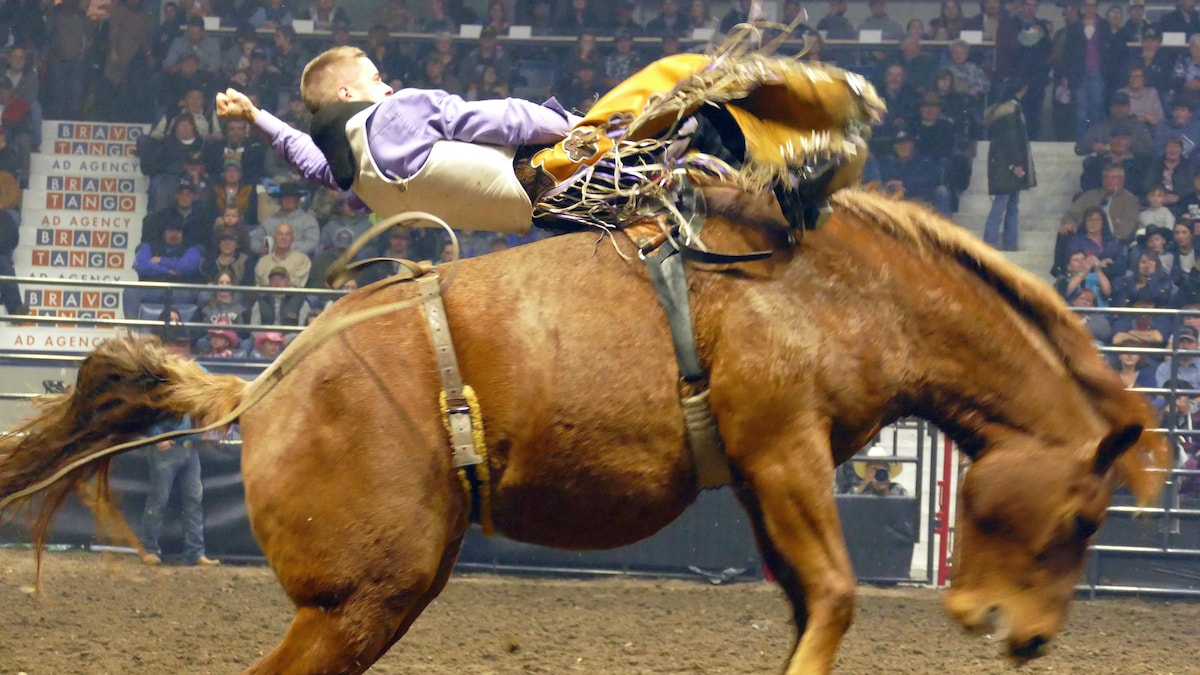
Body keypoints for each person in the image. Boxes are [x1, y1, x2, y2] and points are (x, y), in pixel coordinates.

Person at [217, 46, 576, 234]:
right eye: (375, 79)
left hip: (540, 216)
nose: (387, 86)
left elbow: (311, 162)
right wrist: (576, 124)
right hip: (566, 178)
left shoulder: (354, 172)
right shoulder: (400, 109)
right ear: (346, 92)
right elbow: (506, 118)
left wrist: (254, 116)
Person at [138, 328, 220, 567]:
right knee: (160, 498)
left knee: (193, 499)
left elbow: (210, 397)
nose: (181, 350)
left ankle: (195, 552)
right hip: (168, 444)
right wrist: (156, 437)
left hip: (188, 445)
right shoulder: (157, 376)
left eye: (184, 345)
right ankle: (150, 548)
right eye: (176, 345)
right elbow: (145, 409)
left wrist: (206, 424)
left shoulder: (197, 373)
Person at [984, 79, 1035, 251]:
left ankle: (1009, 242)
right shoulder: (1012, 110)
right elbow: (1012, 139)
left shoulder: (1001, 110)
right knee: (1005, 203)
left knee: (1010, 202)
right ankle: (993, 242)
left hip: (1001, 163)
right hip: (1008, 164)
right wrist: (1017, 164)